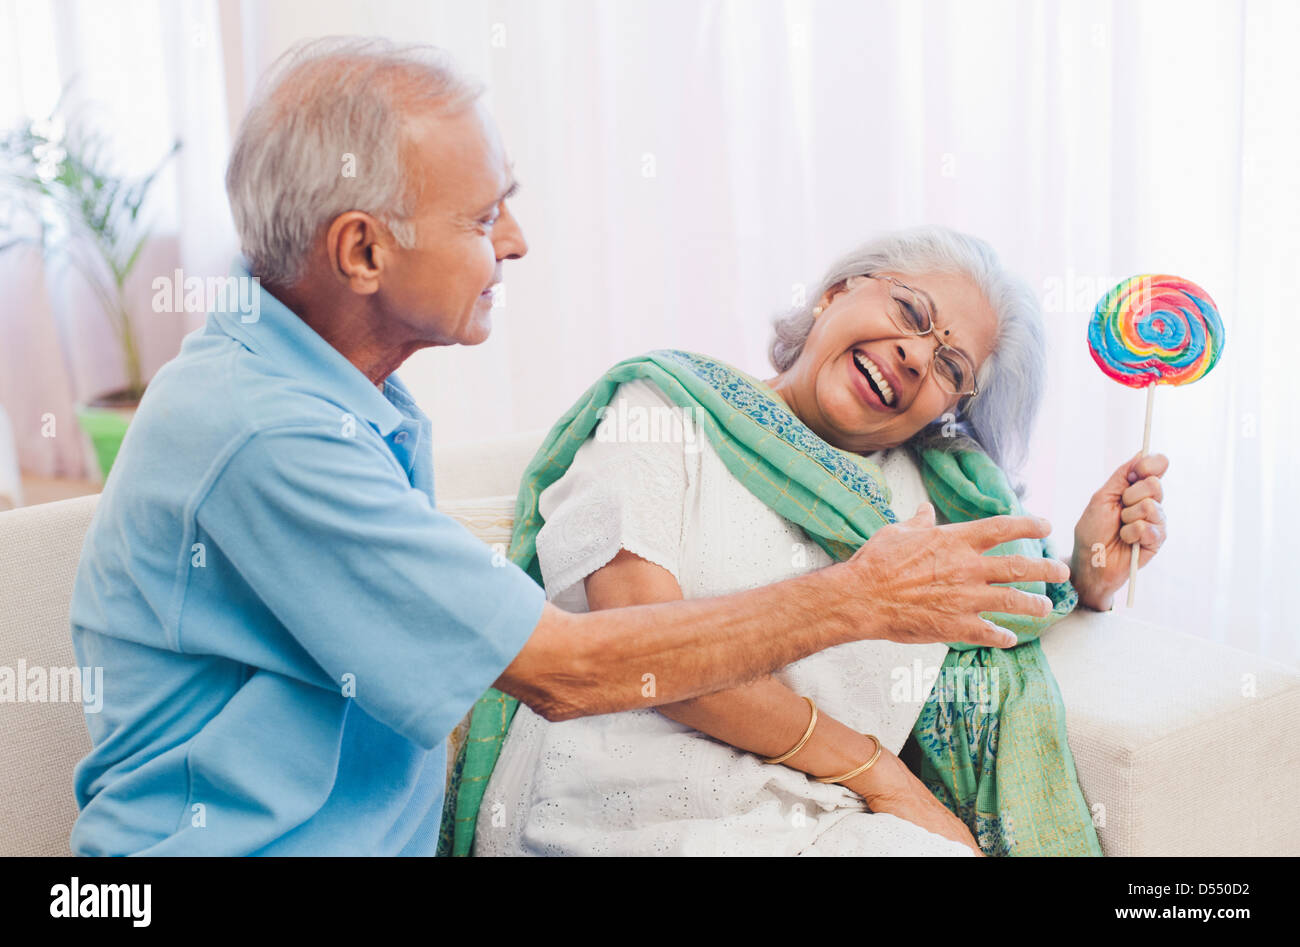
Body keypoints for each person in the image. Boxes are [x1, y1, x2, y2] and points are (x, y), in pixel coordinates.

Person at [67, 39, 1060, 856]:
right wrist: (855, 602)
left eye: (951, 366)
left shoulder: (347, 395)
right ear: (363, 251)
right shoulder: (268, 435)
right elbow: (565, 668)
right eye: (483, 215)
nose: (517, 241)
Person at [469, 228, 1169, 857]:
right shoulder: (664, 410)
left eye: (952, 368)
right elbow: (638, 647)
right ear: (837, 291)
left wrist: (1090, 569)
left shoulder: (926, 498)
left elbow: (1008, 611)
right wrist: (886, 777)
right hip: (619, 796)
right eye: (911, 313)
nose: (916, 355)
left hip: (817, 813)